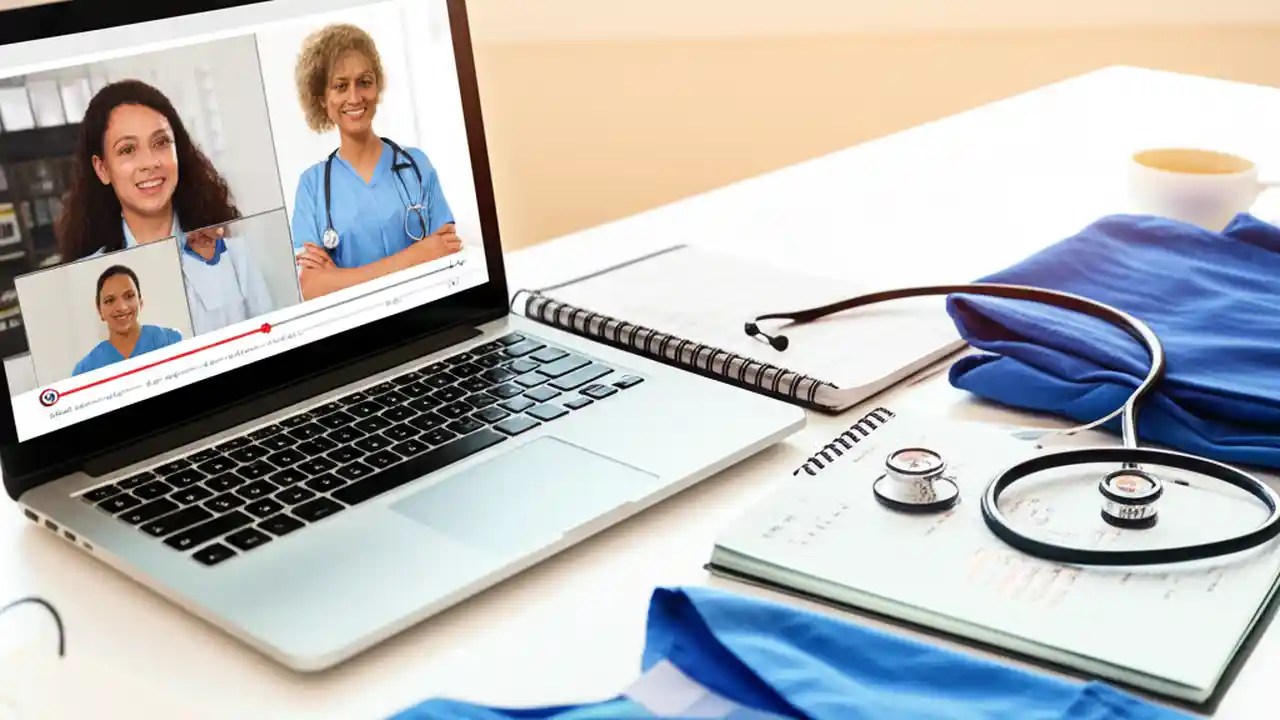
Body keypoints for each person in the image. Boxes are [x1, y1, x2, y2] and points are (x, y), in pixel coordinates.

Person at [54, 79, 278, 336]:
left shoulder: (231, 247)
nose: (149, 162)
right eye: (127, 149)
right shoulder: (86, 278)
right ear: (102, 169)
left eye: (160, 143)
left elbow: (269, 335)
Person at [290, 23, 462, 301]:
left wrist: (339, 278)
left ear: (377, 86)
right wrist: (417, 256)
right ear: (322, 98)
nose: (355, 97)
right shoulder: (311, 186)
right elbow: (311, 288)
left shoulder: (416, 166)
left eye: (364, 82)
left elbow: (447, 254)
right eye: (340, 86)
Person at [73, 265, 182, 376]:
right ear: (100, 310)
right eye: (110, 300)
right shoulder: (85, 370)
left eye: (129, 296)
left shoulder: (171, 342)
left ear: (140, 301)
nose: (122, 307)